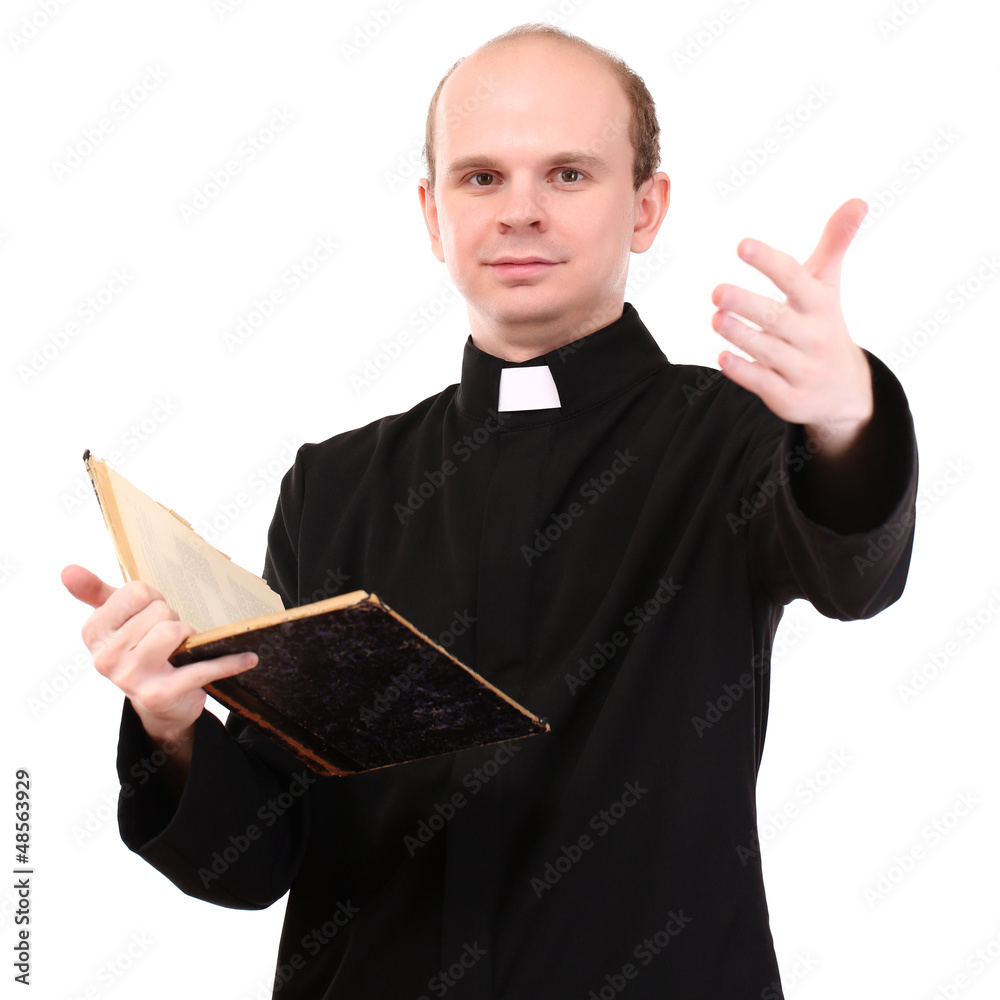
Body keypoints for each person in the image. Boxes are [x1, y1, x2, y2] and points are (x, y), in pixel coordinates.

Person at [62, 22, 917, 999]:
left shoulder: (730, 440)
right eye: (479, 179)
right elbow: (258, 860)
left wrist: (848, 414)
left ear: (646, 207)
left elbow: (854, 569)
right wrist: (172, 732)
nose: (519, 211)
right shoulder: (335, 484)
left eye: (566, 174)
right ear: (431, 216)